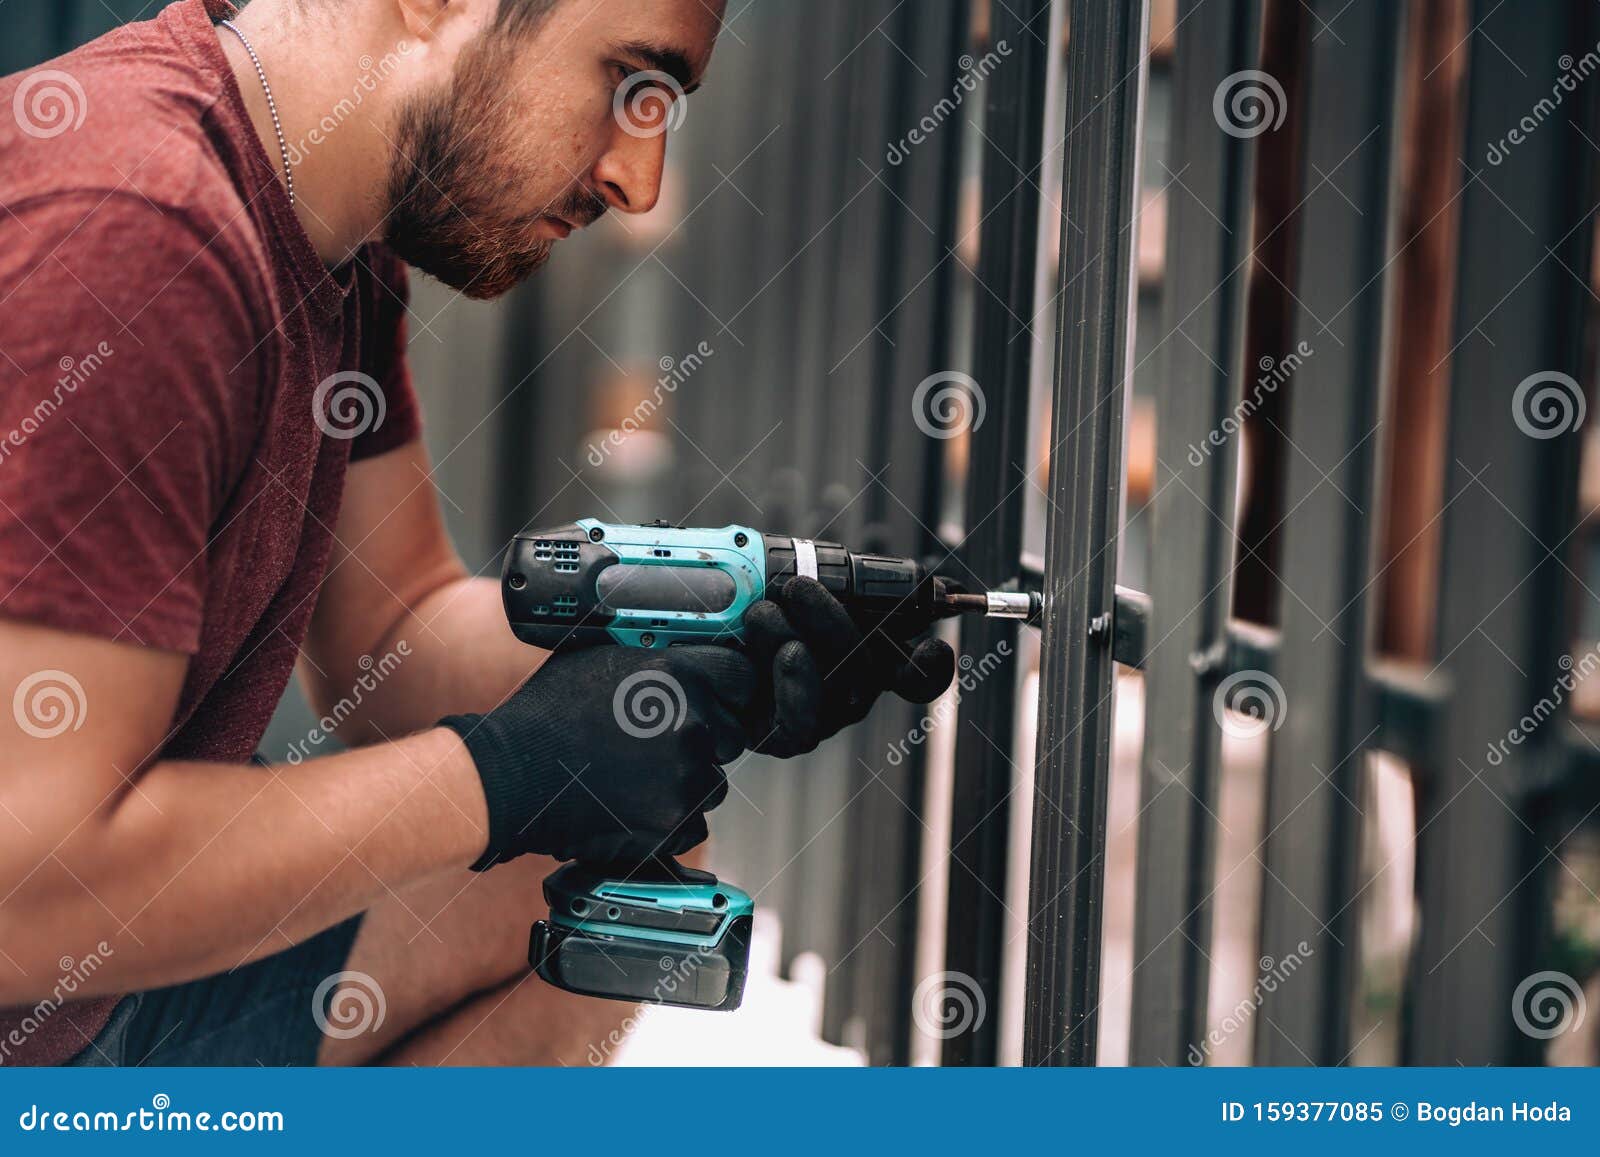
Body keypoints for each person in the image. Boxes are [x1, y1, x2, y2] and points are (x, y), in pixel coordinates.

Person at [0, 0, 954, 1066]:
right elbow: (25, 892)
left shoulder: (331, 236)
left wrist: (705, 649)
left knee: (602, 863)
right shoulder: (137, 230)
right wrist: (505, 770)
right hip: (40, 966)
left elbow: (392, 632)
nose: (637, 180)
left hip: (95, 991)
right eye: (630, 85)